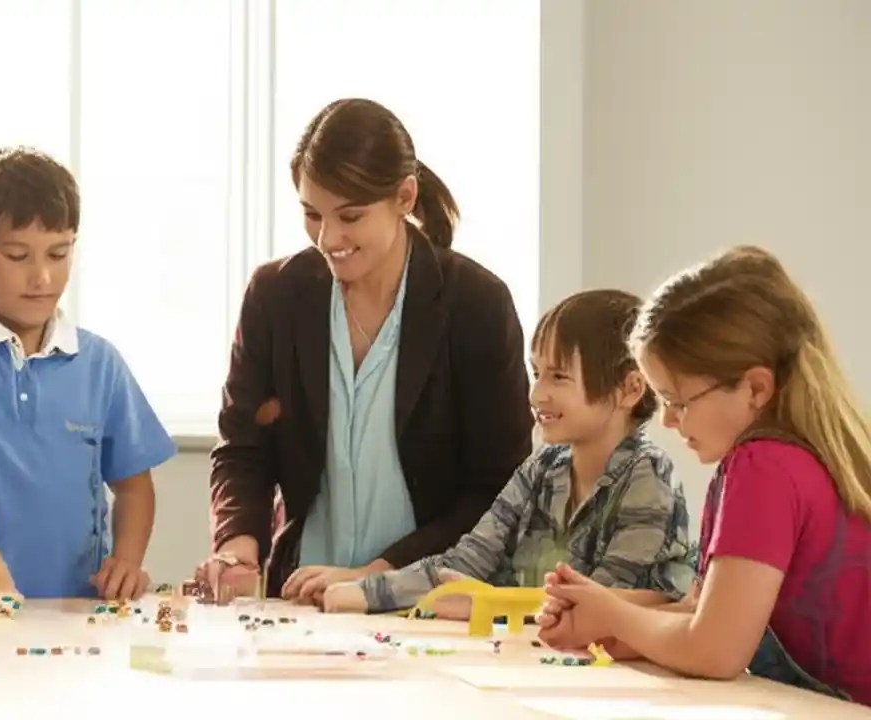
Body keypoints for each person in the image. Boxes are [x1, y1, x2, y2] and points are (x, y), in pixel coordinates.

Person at [201, 98, 534, 602]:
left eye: (350, 216)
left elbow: (498, 489)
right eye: (312, 214)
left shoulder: (476, 304)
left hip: (432, 600)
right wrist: (238, 545)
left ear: (405, 196)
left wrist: (379, 577)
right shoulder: (275, 295)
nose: (328, 238)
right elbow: (243, 449)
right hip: (301, 599)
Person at [537, 246, 871, 706]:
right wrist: (599, 612)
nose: (670, 422)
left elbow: (715, 649)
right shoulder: (796, 457)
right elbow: (701, 609)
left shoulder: (765, 467)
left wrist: (612, 615)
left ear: (755, 387)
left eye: (678, 401)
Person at [0, 147, 176, 601]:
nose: (42, 276)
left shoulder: (99, 363)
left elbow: (133, 483)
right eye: (18, 255)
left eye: (58, 253)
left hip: (80, 613)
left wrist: (126, 561)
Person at [322, 289, 693, 615]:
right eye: (537, 374)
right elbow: (465, 562)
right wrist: (363, 591)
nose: (536, 395)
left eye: (559, 377)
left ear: (629, 389)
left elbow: (604, 604)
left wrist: (491, 603)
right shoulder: (542, 468)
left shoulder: (647, 476)